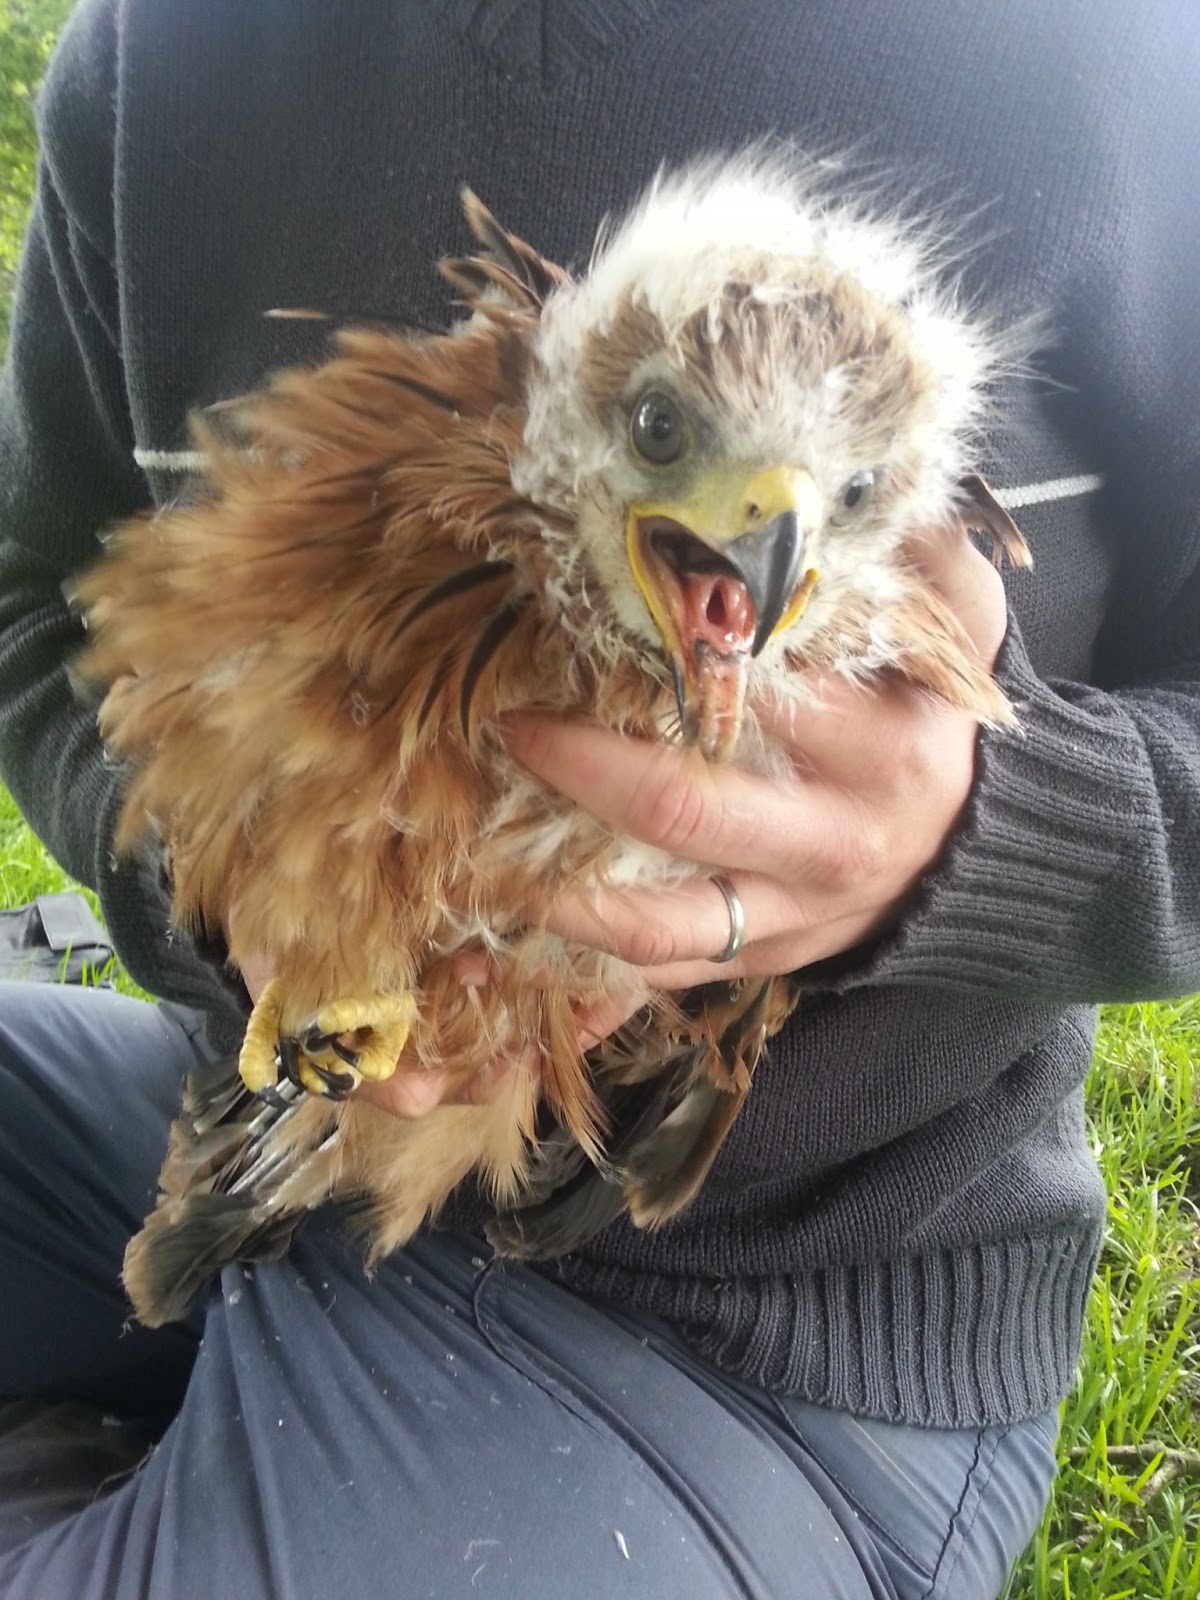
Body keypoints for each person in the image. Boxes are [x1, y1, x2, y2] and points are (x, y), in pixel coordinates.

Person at [0, 1, 1196, 1595]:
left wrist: (999, 825)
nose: (756, 547)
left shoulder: (1121, 58)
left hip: (771, 1326)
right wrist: (252, 893)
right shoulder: (159, 55)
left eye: (826, 504)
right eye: (661, 436)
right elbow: (37, 614)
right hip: (290, 1109)